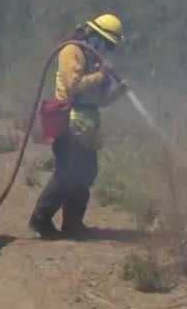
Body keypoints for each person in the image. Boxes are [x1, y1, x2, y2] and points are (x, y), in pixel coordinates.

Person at [29, 14, 128, 239]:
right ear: (96, 37)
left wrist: (118, 93)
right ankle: (40, 219)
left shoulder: (95, 61)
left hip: (88, 125)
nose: (108, 50)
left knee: (86, 173)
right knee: (66, 174)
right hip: (69, 122)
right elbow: (74, 87)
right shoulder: (71, 51)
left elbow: (98, 101)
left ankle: (73, 223)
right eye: (107, 44)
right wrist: (101, 75)